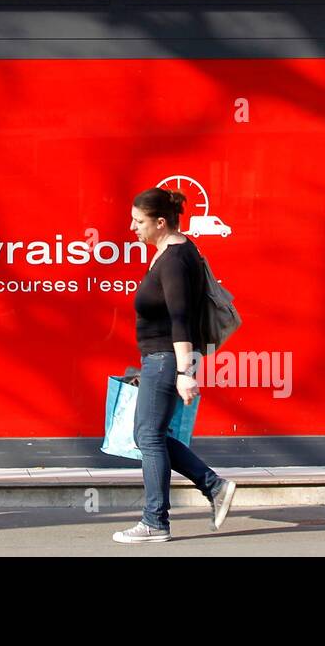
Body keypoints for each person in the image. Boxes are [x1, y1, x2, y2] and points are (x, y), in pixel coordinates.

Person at [113, 186, 237, 544]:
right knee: (149, 435)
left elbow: (180, 319)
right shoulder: (170, 252)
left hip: (167, 359)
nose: (132, 227)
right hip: (159, 358)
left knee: (148, 437)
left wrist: (185, 373)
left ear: (160, 222)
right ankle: (213, 486)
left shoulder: (175, 259)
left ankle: (155, 522)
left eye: (139, 221)